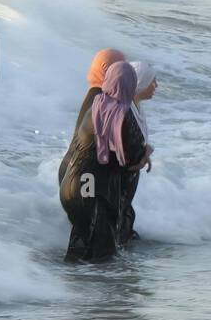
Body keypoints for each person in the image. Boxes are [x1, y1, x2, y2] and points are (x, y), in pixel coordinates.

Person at [59, 60, 147, 261]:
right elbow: (134, 160)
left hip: (71, 187)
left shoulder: (96, 105)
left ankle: (63, 288)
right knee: (103, 260)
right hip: (93, 193)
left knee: (79, 254)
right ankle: (87, 292)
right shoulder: (123, 113)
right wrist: (146, 152)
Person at [59, 48, 126, 187]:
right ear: (106, 69)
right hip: (83, 179)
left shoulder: (94, 94)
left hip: (70, 170)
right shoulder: (103, 101)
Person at [119, 61, 157, 243]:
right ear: (140, 82)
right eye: (152, 81)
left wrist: (145, 151)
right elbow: (125, 156)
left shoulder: (135, 108)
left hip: (126, 188)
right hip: (117, 184)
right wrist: (144, 154)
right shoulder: (124, 110)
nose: (156, 86)